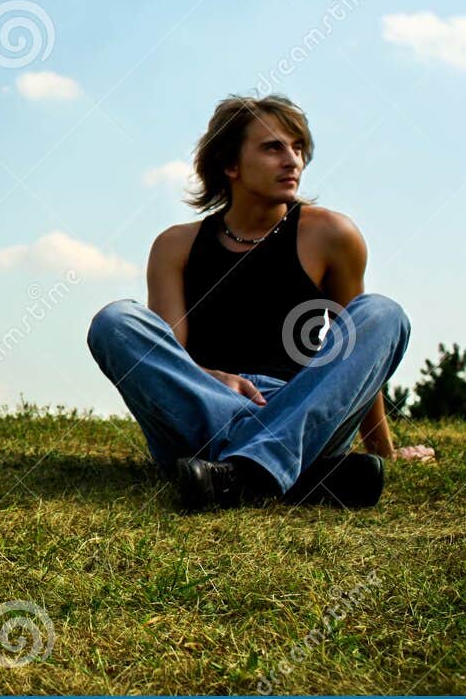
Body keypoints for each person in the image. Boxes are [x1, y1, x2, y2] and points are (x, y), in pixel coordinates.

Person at [86, 94, 431, 513]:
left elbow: (354, 360)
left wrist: (384, 449)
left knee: (383, 313)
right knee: (115, 321)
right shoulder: (175, 246)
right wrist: (210, 377)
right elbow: (169, 354)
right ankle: (301, 475)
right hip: (202, 412)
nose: (292, 161)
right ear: (230, 164)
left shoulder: (332, 235)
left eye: (298, 148)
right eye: (273, 148)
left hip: (302, 410)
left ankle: (237, 473)